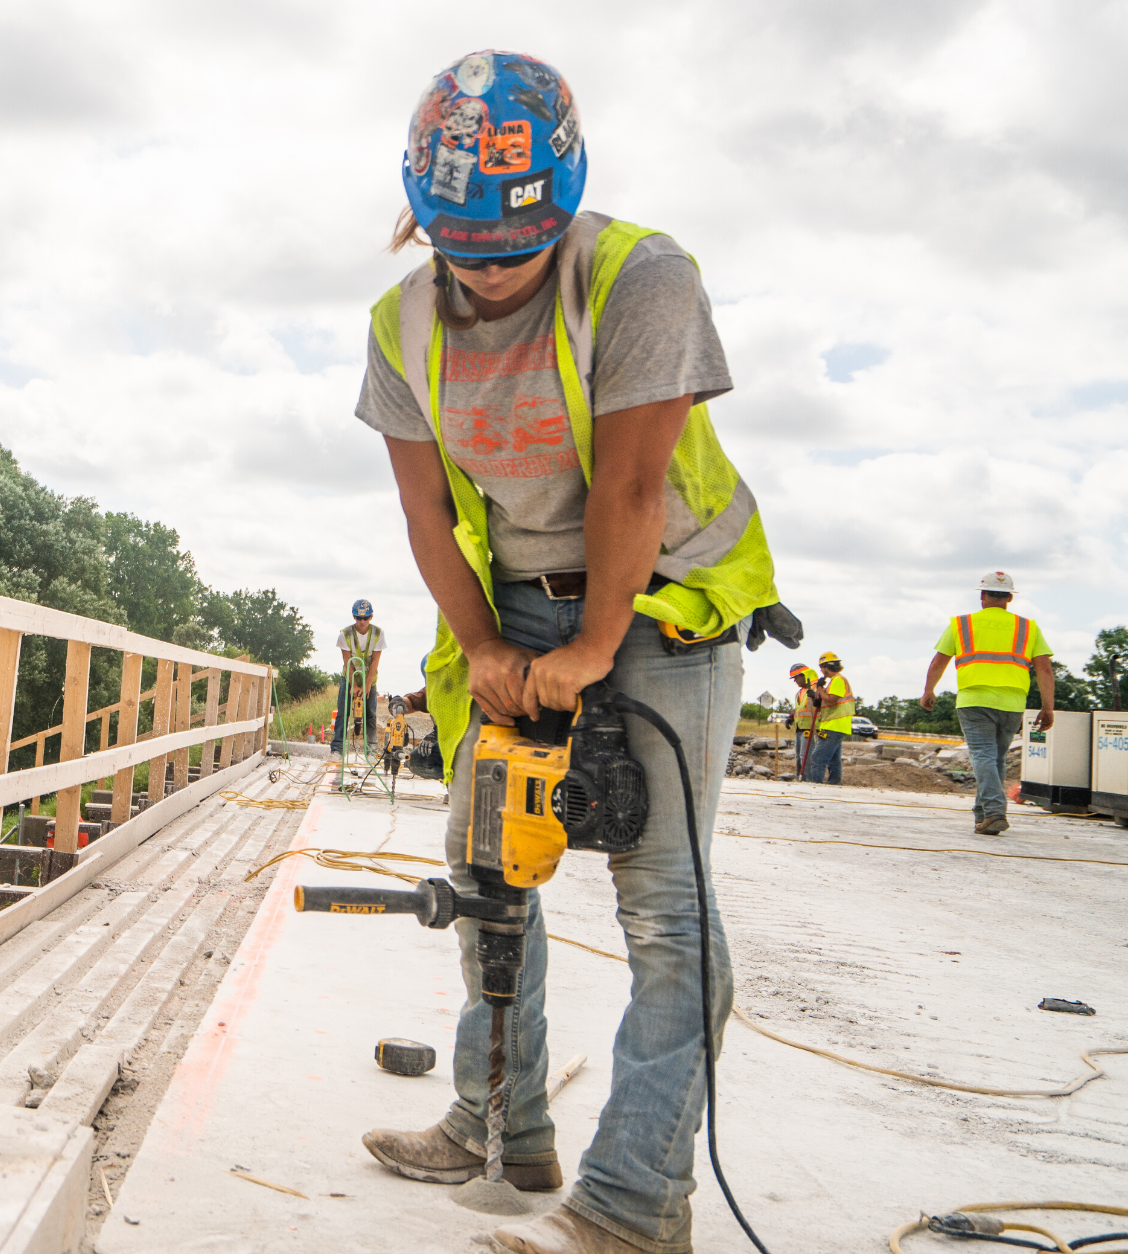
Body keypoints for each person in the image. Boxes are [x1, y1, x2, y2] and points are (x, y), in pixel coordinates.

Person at [350, 50, 789, 1254]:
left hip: (667, 599)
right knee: (489, 867)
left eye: (512, 254)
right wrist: (487, 643)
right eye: (463, 254)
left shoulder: (641, 274)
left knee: (665, 912)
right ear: (426, 221)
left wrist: (598, 643)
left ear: (562, 201)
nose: (489, 280)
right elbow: (428, 516)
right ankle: (498, 1127)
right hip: (525, 608)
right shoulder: (400, 323)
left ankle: (634, 1207)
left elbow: (635, 480)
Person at [922, 571, 1056, 835]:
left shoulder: (961, 624)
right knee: (996, 759)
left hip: (974, 699)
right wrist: (1047, 706)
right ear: (1009, 598)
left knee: (983, 755)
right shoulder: (1028, 627)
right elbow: (1045, 669)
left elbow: (939, 661)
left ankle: (994, 810)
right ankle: (983, 816)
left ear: (982, 596)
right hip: (1013, 703)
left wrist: (929, 690)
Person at [335, 600, 385, 754]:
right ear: (353, 616)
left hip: (369, 679)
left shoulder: (378, 633)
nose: (362, 622)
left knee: (370, 713)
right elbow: (347, 662)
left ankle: (371, 749)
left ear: (371, 616)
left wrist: (367, 686)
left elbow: (375, 661)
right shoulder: (345, 634)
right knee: (343, 712)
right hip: (349, 678)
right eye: (359, 618)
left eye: (366, 618)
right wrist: (354, 686)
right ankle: (337, 749)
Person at [802, 652, 856, 784]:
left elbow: (831, 701)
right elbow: (827, 702)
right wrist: (817, 697)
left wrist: (820, 688)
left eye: (821, 667)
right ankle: (834, 785)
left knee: (818, 758)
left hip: (834, 725)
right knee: (833, 760)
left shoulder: (838, 680)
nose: (821, 670)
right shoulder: (834, 681)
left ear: (826, 666)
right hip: (835, 725)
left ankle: (816, 786)